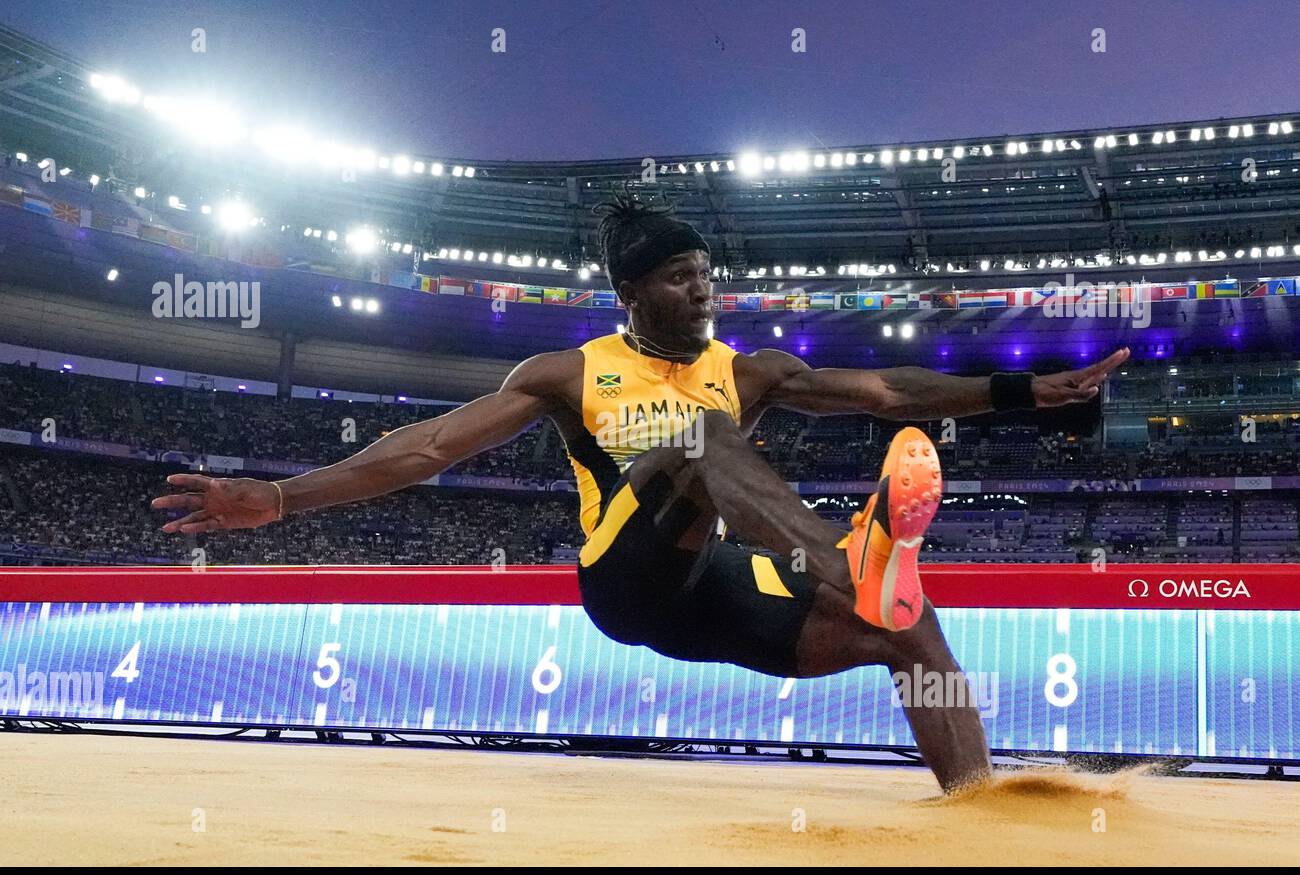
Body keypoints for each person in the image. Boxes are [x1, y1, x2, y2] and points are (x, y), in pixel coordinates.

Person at [152, 186, 1128, 793]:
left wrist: (1026, 391)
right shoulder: (565, 373)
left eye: (705, 274)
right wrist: (277, 500)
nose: (700, 292)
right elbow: (424, 451)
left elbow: (887, 392)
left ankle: (976, 804)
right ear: (630, 296)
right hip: (622, 577)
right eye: (677, 277)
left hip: (715, 588)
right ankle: (844, 555)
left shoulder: (752, 369)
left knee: (906, 630)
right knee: (700, 441)